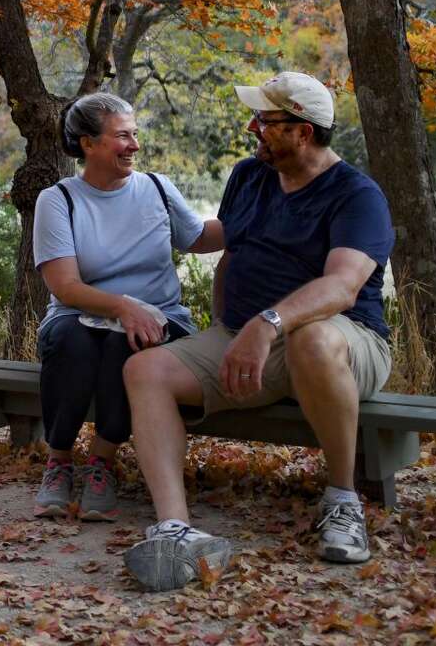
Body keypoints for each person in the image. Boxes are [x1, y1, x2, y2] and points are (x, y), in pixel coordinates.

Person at [120, 71, 395, 592]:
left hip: (345, 341)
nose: (252, 128)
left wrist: (265, 324)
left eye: (265, 121)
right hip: (248, 334)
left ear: (303, 131)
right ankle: (175, 528)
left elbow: (342, 288)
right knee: (145, 368)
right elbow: (233, 252)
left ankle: (341, 500)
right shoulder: (249, 177)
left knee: (310, 337)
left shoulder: (357, 195)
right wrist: (228, 325)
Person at [30, 91, 224, 520]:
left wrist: (252, 218)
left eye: (135, 134)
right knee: (73, 343)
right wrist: (123, 306)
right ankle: (58, 462)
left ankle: (102, 463)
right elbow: (64, 286)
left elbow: (198, 238)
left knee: (131, 342)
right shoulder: (57, 200)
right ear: (88, 144)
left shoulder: (156, 188)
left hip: (159, 316)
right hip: (77, 316)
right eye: (123, 136)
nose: (135, 145)